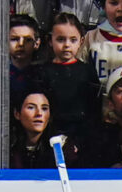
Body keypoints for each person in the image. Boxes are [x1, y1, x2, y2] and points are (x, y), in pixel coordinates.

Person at [40, 12, 101, 140]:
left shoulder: (87, 71)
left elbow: (94, 108)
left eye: (73, 40)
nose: (67, 45)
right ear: (50, 40)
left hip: (83, 134)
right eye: (60, 39)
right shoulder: (42, 72)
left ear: (81, 41)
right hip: (51, 134)